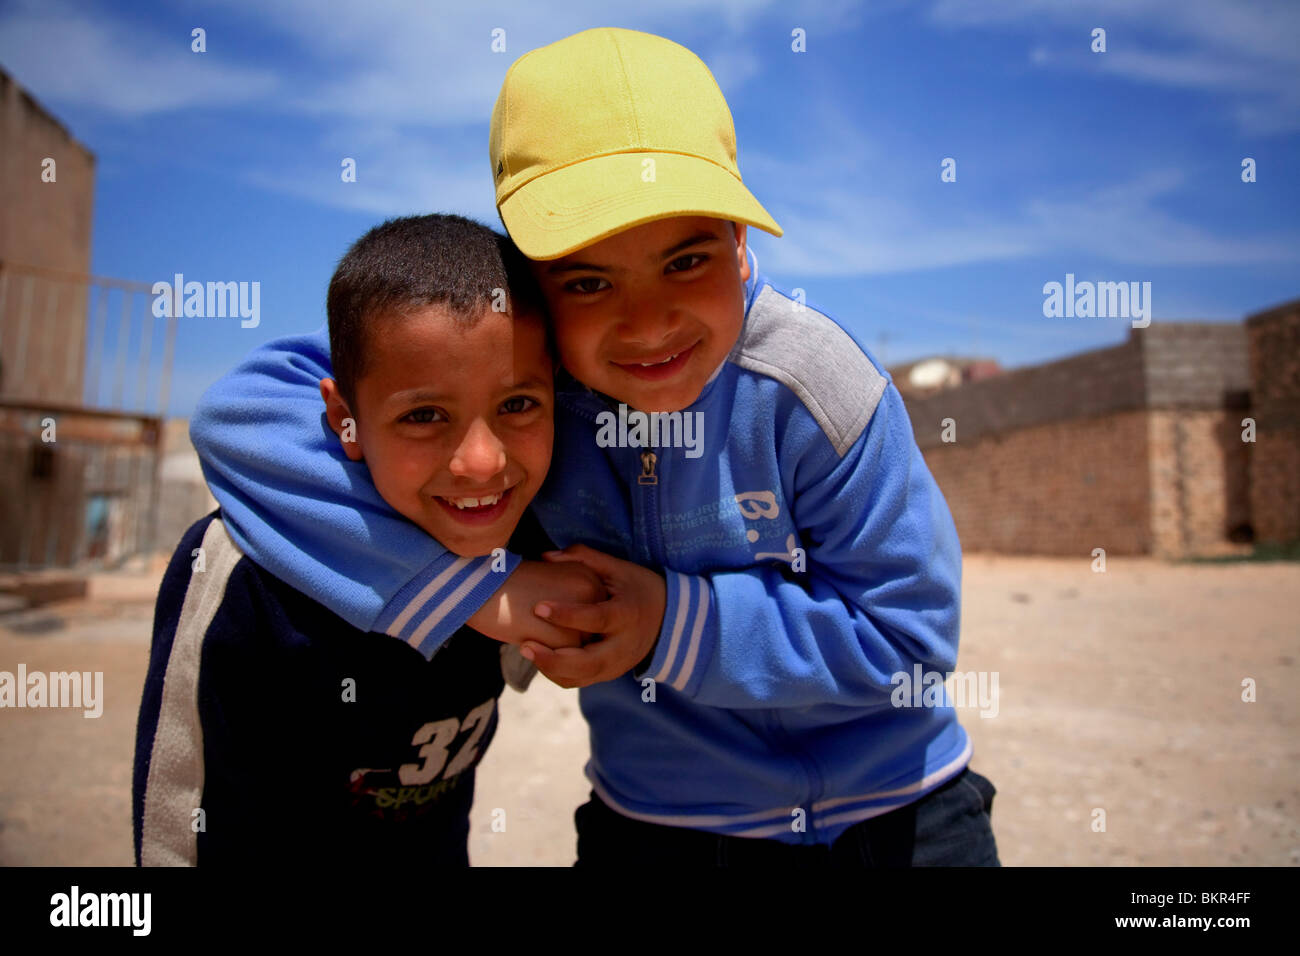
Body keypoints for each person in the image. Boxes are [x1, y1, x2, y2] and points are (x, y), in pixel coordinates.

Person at [189, 28, 999, 866]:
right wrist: (468, 588)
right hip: (660, 823)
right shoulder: (523, 386)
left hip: (905, 811)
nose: (647, 326)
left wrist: (667, 622)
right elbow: (242, 417)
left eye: (686, 259)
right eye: (586, 282)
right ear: (529, 286)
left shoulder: (815, 387)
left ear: (740, 238)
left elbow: (910, 635)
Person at [133, 214, 600, 866]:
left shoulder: (523, 538)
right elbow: (182, 816)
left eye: (518, 405)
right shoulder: (243, 573)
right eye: (425, 416)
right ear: (343, 421)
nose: (481, 463)